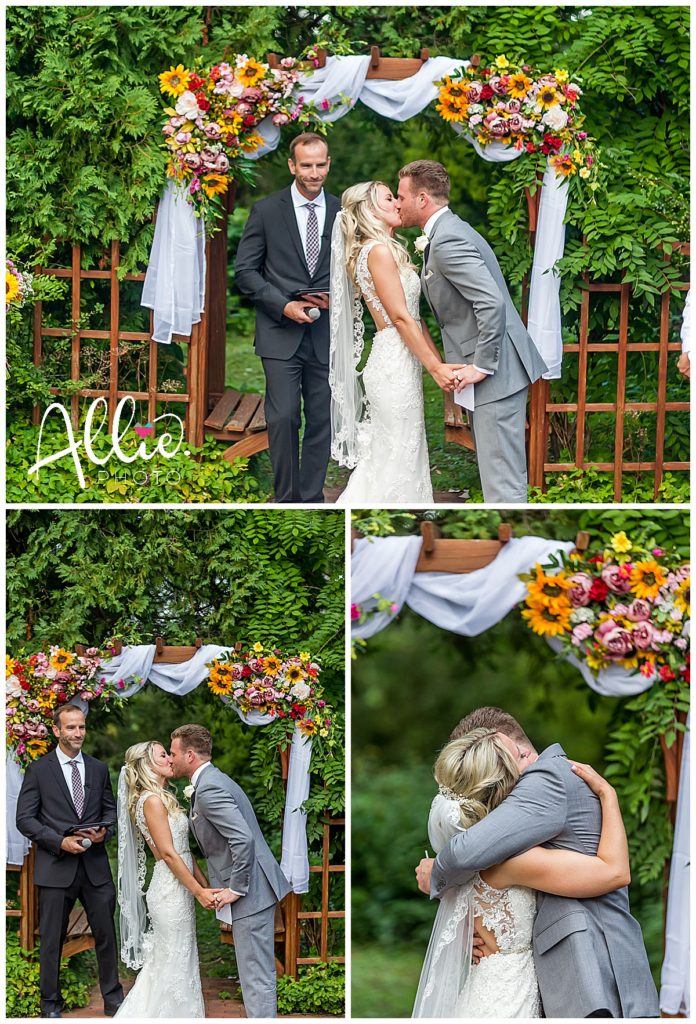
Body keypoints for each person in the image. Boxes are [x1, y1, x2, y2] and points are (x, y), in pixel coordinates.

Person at [415, 708, 659, 1018]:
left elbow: (467, 853)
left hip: (592, 966)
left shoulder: (544, 779)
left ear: (515, 749)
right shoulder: (506, 851)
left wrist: (435, 872)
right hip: (544, 979)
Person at [396, 160, 548, 503]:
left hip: (497, 373)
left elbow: (490, 303)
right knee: (497, 475)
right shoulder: (448, 231)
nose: (398, 203)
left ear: (422, 199)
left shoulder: (448, 240)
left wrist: (481, 366)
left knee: (503, 482)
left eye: (402, 196)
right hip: (496, 372)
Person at [329, 180, 464, 503]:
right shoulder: (376, 252)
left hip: (404, 359)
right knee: (394, 451)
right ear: (371, 210)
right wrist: (435, 369)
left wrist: (437, 363)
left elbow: (414, 319)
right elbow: (401, 318)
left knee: (405, 446)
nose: (397, 203)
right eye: (389, 198)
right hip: (392, 364)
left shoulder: (387, 249)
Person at [235, 132, 340, 503]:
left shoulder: (344, 212)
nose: (314, 173)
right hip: (279, 330)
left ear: (328, 163)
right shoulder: (266, 211)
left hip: (327, 332)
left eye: (320, 164)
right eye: (306, 165)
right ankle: (285, 498)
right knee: (282, 418)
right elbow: (245, 272)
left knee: (321, 419)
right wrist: (282, 305)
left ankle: (311, 498)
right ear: (292, 165)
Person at [169, 723, 292, 1018]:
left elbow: (242, 839)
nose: (170, 759)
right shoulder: (211, 780)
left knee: (256, 975)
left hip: (250, 891)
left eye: (173, 753)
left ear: (189, 755)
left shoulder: (209, 788)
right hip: (255, 888)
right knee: (255, 972)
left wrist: (236, 888)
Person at [15, 704, 124, 1018]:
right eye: (71, 728)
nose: (78, 733)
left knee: (106, 935)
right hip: (55, 868)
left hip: (96, 869)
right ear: (57, 730)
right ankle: (50, 1004)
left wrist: (104, 831)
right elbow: (25, 819)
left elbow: (109, 811)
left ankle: (113, 1000)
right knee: (51, 941)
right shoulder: (38, 770)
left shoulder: (99, 768)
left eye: (81, 727)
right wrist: (59, 841)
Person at [115, 740, 220, 1018]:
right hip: (169, 890)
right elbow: (168, 854)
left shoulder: (163, 797)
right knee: (171, 960)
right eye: (164, 755)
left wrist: (204, 885)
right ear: (149, 765)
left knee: (181, 958)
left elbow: (184, 852)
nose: (171, 759)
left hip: (180, 884)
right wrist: (198, 892)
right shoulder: (150, 801)